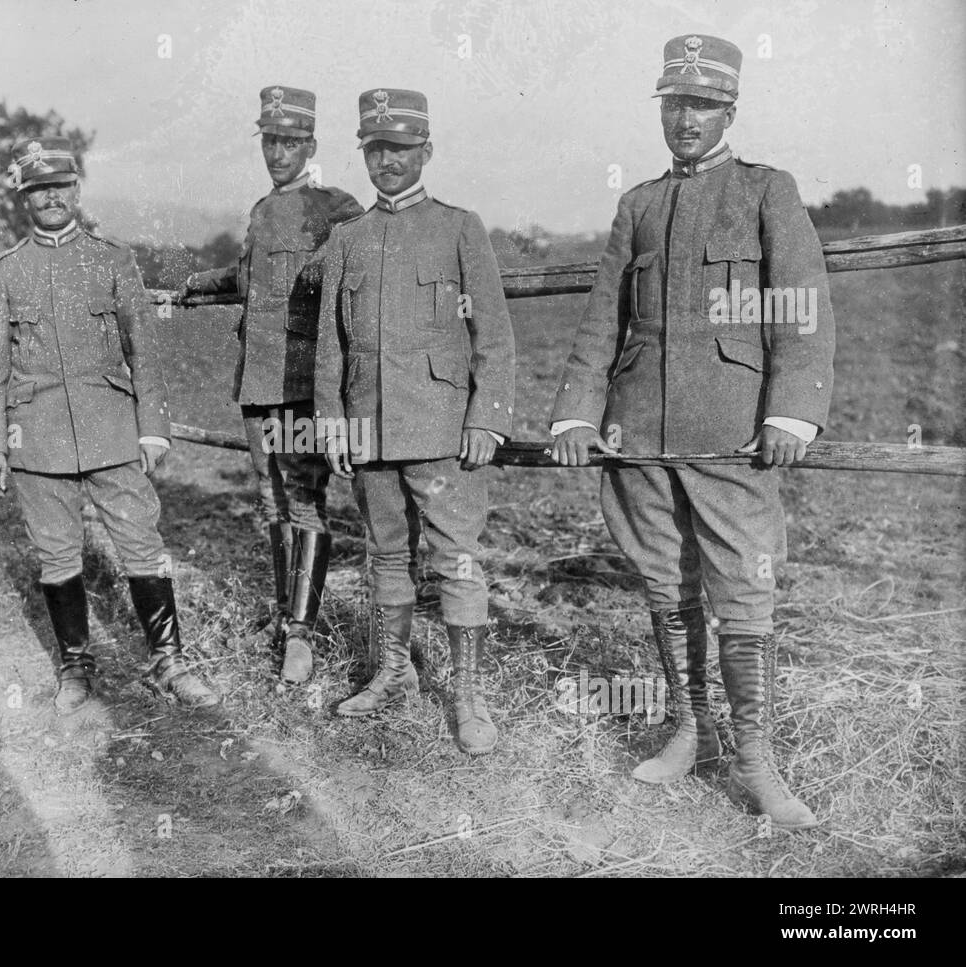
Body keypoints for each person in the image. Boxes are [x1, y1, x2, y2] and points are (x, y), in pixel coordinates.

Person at [550, 35, 835, 829]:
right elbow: (602, 317)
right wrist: (576, 411)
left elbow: (801, 308)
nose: (686, 118)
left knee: (745, 592)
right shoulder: (638, 203)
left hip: (733, 435)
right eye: (674, 103)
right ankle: (690, 726)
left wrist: (790, 411)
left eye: (703, 104)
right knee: (666, 585)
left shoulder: (765, 191)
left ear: (730, 111)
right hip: (637, 434)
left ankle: (756, 760)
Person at [0, 136, 218, 715]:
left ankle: (169, 661)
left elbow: (145, 350)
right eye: (38, 189)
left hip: (112, 428)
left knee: (141, 544)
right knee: (57, 555)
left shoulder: (112, 259)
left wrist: (153, 427)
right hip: (36, 436)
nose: (51, 198)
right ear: (23, 197)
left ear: (76, 188)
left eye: (60, 186)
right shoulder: (6, 271)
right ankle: (76, 666)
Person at [314, 89, 515, 754]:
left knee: (457, 561)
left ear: (425, 151)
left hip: (442, 430)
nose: (388, 161)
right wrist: (333, 422)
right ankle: (392, 671)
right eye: (376, 149)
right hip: (368, 429)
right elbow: (330, 346)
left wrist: (486, 418)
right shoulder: (347, 238)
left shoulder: (460, 227)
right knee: (385, 557)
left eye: (400, 149)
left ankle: (467, 695)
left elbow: (494, 334)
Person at [183, 85, 363, 684]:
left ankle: (301, 636)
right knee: (271, 500)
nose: (278, 152)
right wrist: (206, 282)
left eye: (290, 141)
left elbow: (356, 273)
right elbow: (251, 276)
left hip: (304, 380)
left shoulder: (335, 208)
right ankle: (288, 613)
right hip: (257, 380)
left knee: (305, 499)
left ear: (310, 144)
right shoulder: (262, 209)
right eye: (270, 140)